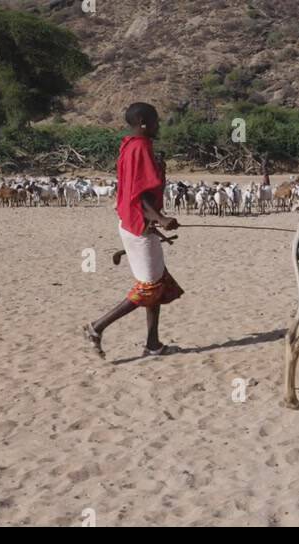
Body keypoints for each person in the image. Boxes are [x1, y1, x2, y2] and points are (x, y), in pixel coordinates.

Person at [84, 102, 182, 359]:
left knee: (157, 286)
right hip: (140, 225)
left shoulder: (130, 145)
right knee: (149, 288)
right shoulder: (139, 148)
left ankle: (153, 344)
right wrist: (160, 218)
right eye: (156, 121)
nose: (159, 125)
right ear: (143, 123)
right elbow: (139, 196)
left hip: (134, 223)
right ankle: (96, 327)